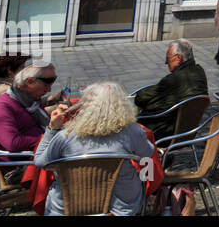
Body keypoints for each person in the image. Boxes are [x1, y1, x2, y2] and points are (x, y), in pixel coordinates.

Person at [33, 82, 155, 216]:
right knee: (143, 173)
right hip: (121, 207)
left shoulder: (65, 136)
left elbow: (40, 162)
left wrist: (52, 128)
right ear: (121, 105)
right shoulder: (133, 131)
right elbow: (146, 159)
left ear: (84, 105)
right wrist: (146, 186)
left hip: (65, 208)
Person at [133, 40, 209, 140]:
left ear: (178, 58)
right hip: (188, 133)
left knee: (129, 127)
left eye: (168, 58)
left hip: (164, 133)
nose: (165, 62)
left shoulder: (174, 79)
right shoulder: (199, 71)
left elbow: (141, 99)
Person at [0, 60, 57, 154]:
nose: (49, 90)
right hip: (24, 163)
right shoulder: (0, 108)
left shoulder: (29, 100)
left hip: (41, 150)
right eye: (46, 86)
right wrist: (52, 138)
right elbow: (13, 143)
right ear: (29, 81)